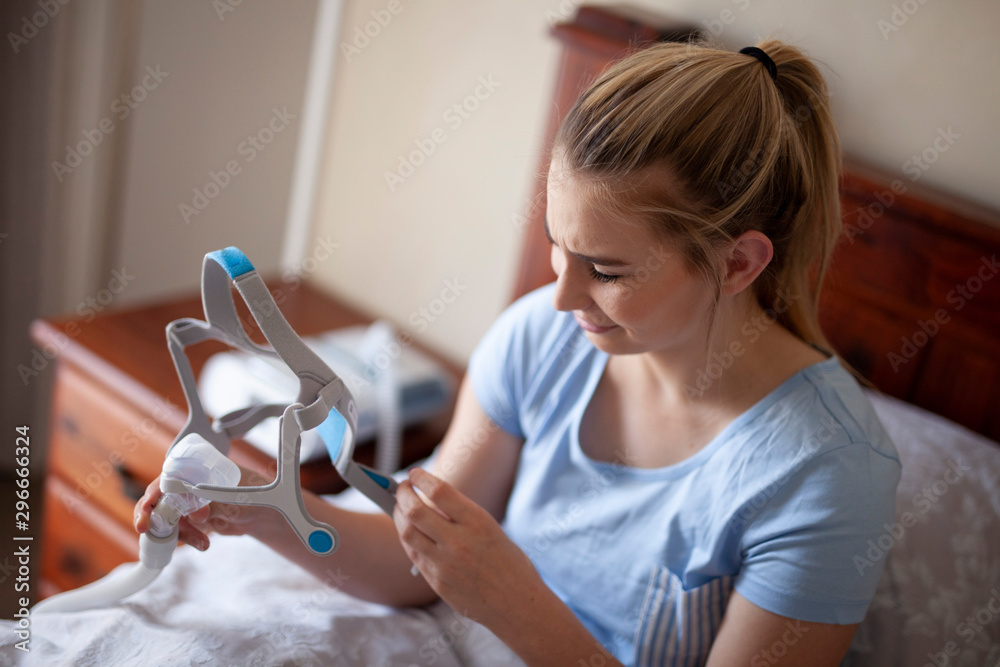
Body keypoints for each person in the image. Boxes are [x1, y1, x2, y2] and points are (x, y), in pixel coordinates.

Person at [136, 39, 901, 666]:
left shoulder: (825, 474)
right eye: (558, 248)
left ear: (738, 264)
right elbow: (412, 562)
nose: (561, 295)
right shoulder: (545, 338)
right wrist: (265, 506)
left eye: (606, 270)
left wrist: (517, 606)